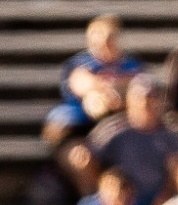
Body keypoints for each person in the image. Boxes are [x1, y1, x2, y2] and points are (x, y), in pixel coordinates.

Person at [76, 77, 178, 205]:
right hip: (118, 204)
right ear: (129, 101)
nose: (145, 103)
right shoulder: (113, 129)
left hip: (159, 203)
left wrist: (161, 202)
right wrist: (108, 195)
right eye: (140, 99)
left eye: (151, 98)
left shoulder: (169, 135)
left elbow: (176, 173)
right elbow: (89, 160)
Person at [44, 15, 141, 148]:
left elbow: (137, 83)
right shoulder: (82, 62)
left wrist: (116, 95)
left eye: (109, 38)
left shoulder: (130, 63)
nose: (104, 44)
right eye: (97, 38)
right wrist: (104, 90)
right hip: (82, 114)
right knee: (60, 125)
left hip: (121, 113)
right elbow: (79, 83)